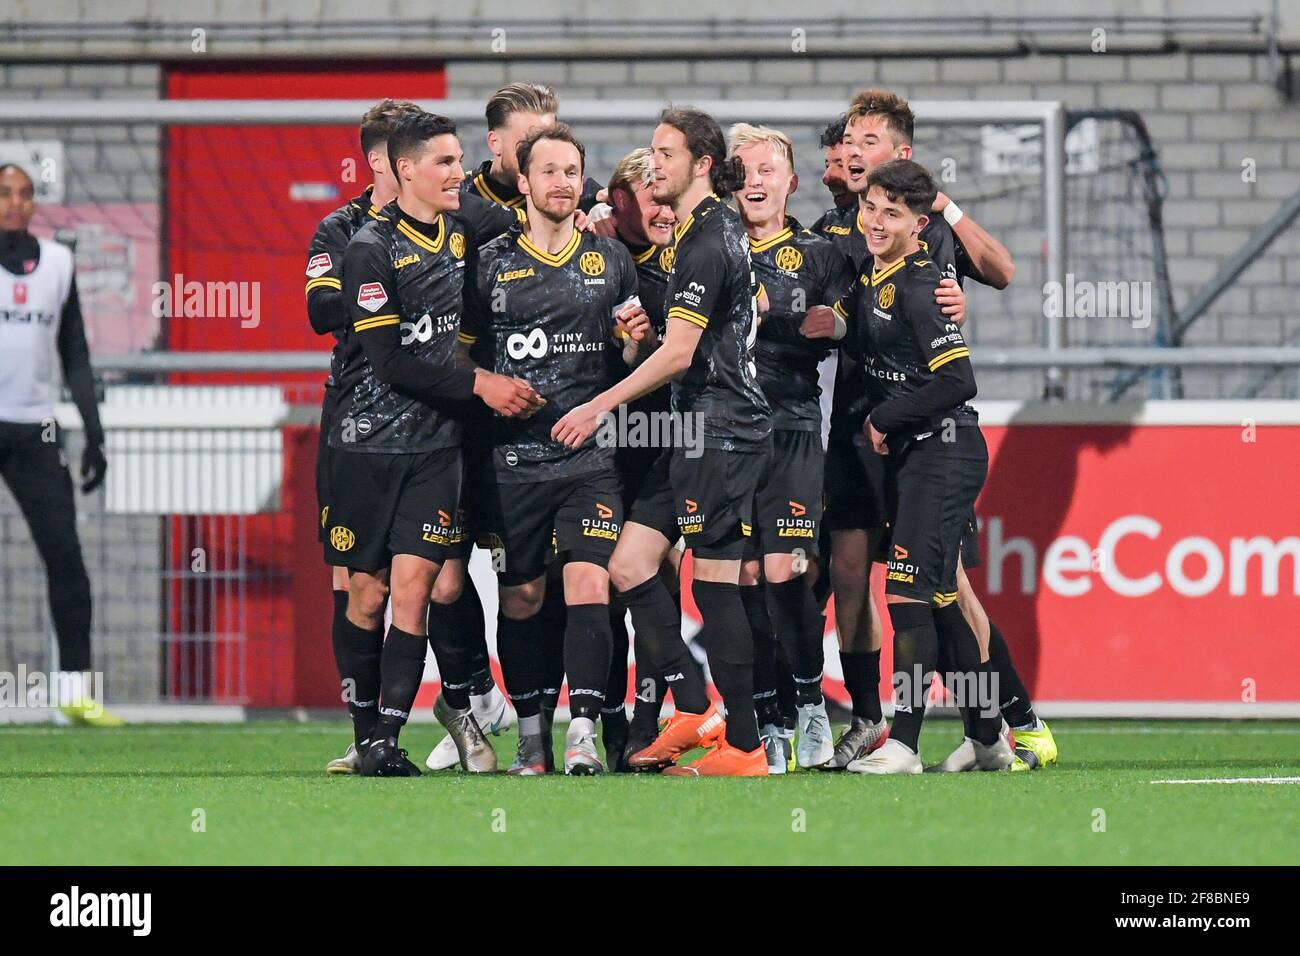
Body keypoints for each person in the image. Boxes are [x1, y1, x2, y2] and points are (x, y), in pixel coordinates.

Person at [553, 107, 771, 777]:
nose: (655, 165)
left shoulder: (708, 239)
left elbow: (679, 354)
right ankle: (698, 707)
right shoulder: (706, 231)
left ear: (703, 164)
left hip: (720, 429)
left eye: (667, 154)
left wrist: (599, 403)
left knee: (717, 586)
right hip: (694, 429)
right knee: (630, 566)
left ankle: (744, 744)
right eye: (651, 153)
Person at [332, 110, 542, 776]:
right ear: (405, 171)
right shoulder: (370, 247)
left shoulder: (464, 230)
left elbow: (532, 214)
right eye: (447, 163)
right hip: (364, 445)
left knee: (417, 588)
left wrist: (589, 208)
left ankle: (388, 741)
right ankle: (365, 733)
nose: (461, 173)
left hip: (435, 448)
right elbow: (389, 362)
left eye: (460, 160)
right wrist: (480, 384)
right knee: (366, 594)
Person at [465, 123, 650, 775]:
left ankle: (584, 734)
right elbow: (461, 357)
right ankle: (531, 737)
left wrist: (633, 341)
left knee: (588, 583)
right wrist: (483, 388)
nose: (563, 182)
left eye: (572, 171)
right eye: (549, 171)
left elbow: (628, 354)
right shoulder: (488, 263)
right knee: (520, 599)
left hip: (589, 460)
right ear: (523, 181)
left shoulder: (610, 259)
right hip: (512, 463)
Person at [831, 159, 1012, 774]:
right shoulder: (872, 276)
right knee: (936, 598)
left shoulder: (920, 283)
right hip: (922, 455)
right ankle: (988, 738)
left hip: (946, 450)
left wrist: (885, 418)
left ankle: (904, 742)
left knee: (905, 593)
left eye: (892, 214)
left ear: (919, 223)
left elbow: (958, 378)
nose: (875, 222)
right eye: (871, 208)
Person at [728, 123, 857, 771]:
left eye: (767, 169)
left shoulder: (819, 253)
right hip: (724, 434)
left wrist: (836, 322)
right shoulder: (713, 249)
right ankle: (768, 715)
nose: (755, 179)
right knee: (742, 577)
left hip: (794, 428)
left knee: (787, 572)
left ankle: (809, 704)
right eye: (744, 169)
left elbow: (848, 316)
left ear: (791, 182)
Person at [0, 162, 118, 726]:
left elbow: (74, 352)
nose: (16, 203)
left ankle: (74, 692)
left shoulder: (58, 265)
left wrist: (94, 434)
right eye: (4, 193)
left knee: (65, 557)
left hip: (34, 429)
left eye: (24, 194)